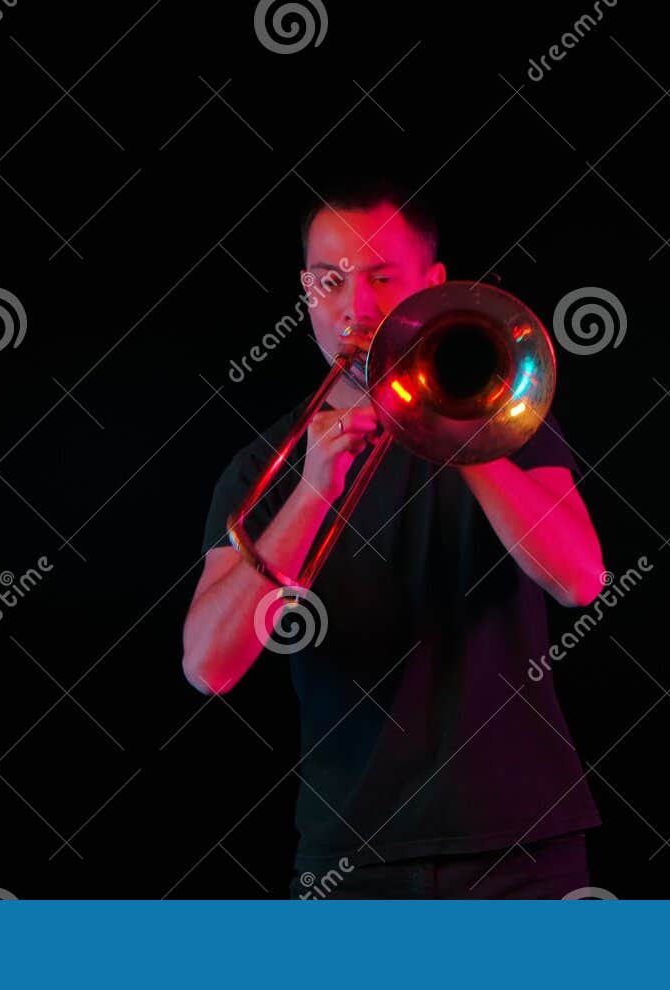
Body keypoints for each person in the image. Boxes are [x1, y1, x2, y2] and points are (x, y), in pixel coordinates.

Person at [181, 178, 606, 899]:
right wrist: (314, 489)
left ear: (435, 287)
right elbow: (208, 666)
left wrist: (457, 427)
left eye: (382, 278)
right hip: (350, 861)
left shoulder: (505, 423)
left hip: (524, 850)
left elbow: (580, 580)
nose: (357, 308)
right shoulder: (261, 469)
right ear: (306, 293)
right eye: (330, 281)